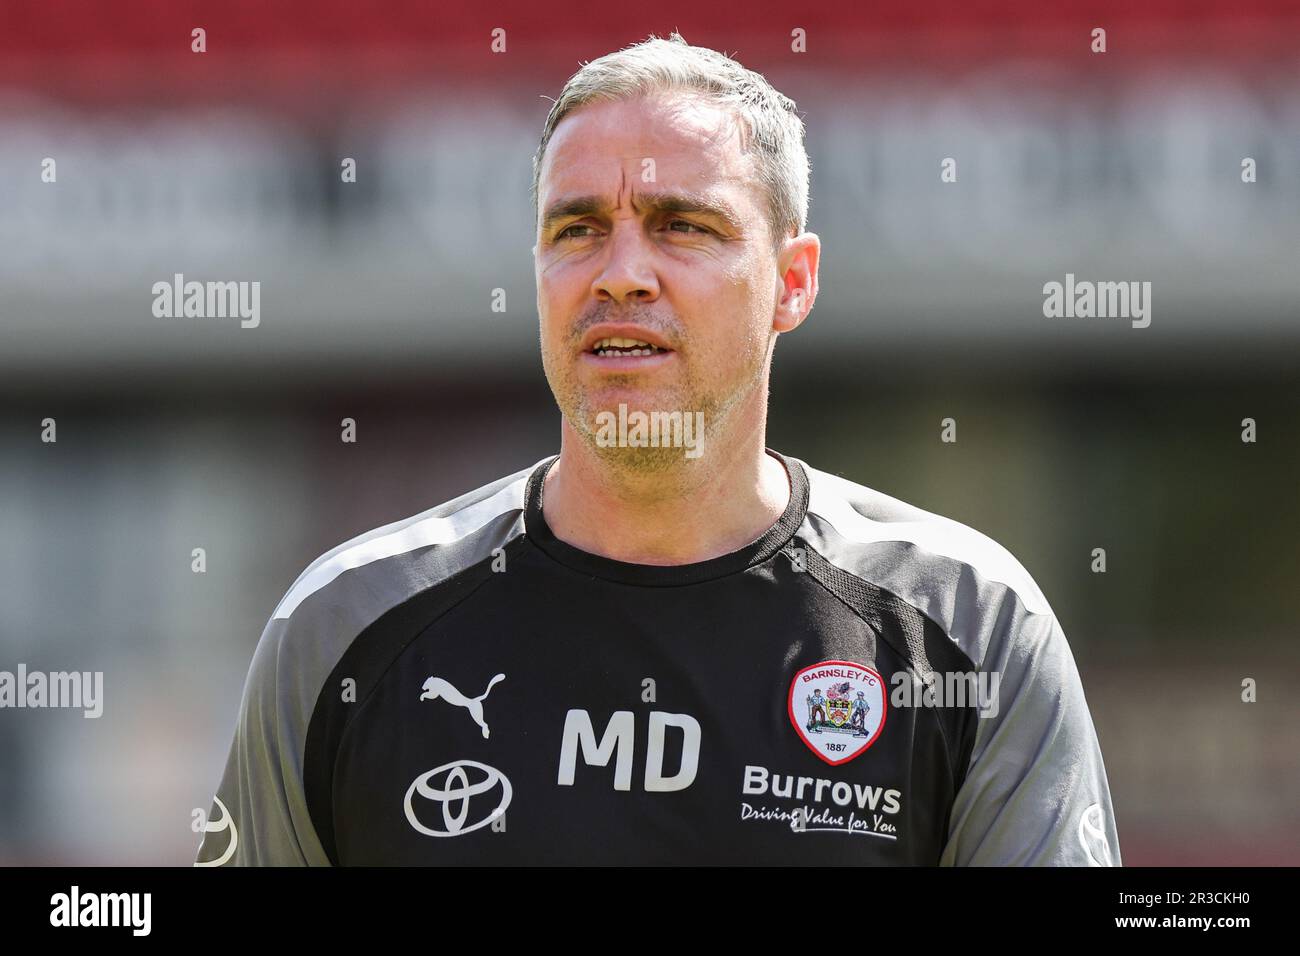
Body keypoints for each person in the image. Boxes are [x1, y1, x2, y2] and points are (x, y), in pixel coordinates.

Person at [196, 32, 1120, 866]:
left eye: (684, 225)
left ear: (792, 284)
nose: (622, 274)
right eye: (578, 229)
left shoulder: (967, 627)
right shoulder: (345, 627)